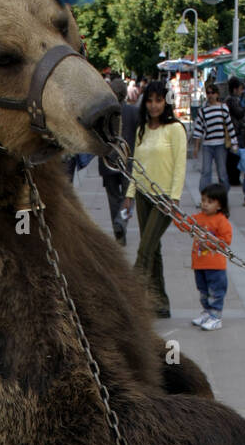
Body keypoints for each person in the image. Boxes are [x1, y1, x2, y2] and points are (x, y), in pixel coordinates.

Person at [120, 80, 187, 318]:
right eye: (149, 100)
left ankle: (130, 301)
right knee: (154, 249)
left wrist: (175, 198)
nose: (154, 105)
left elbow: (180, 166)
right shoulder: (142, 128)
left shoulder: (176, 129)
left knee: (144, 250)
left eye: (158, 100)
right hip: (143, 195)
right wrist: (129, 195)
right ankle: (161, 302)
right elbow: (136, 165)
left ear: (166, 101)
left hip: (164, 198)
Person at [180, 183, 232, 331]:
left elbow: (226, 241)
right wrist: (174, 214)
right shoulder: (198, 218)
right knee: (203, 291)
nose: (205, 204)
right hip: (199, 263)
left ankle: (216, 316)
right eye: (203, 201)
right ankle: (207, 312)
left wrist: (212, 241)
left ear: (219, 205)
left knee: (215, 292)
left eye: (209, 202)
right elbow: (184, 225)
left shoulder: (221, 221)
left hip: (215, 265)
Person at [98, 76, 128, 243]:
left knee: (114, 198)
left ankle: (118, 227)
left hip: (108, 162)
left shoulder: (103, 114)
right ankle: (120, 223)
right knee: (125, 197)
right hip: (125, 162)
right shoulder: (133, 111)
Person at [192, 82, 236, 191]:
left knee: (222, 172)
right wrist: (196, 147)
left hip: (220, 144)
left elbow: (229, 126)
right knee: (206, 172)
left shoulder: (223, 108)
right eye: (208, 93)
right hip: (207, 145)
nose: (210, 95)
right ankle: (204, 195)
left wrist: (234, 142)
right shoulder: (203, 111)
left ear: (217, 94)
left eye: (212, 92)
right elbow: (198, 129)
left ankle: (224, 195)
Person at [225, 77, 245, 188]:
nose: (241, 91)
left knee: (234, 155)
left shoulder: (232, 99)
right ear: (234, 89)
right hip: (234, 131)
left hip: (235, 131)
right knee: (234, 155)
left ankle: (234, 177)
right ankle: (233, 178)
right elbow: (239, 113)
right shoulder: (232, 100)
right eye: (240, 89)